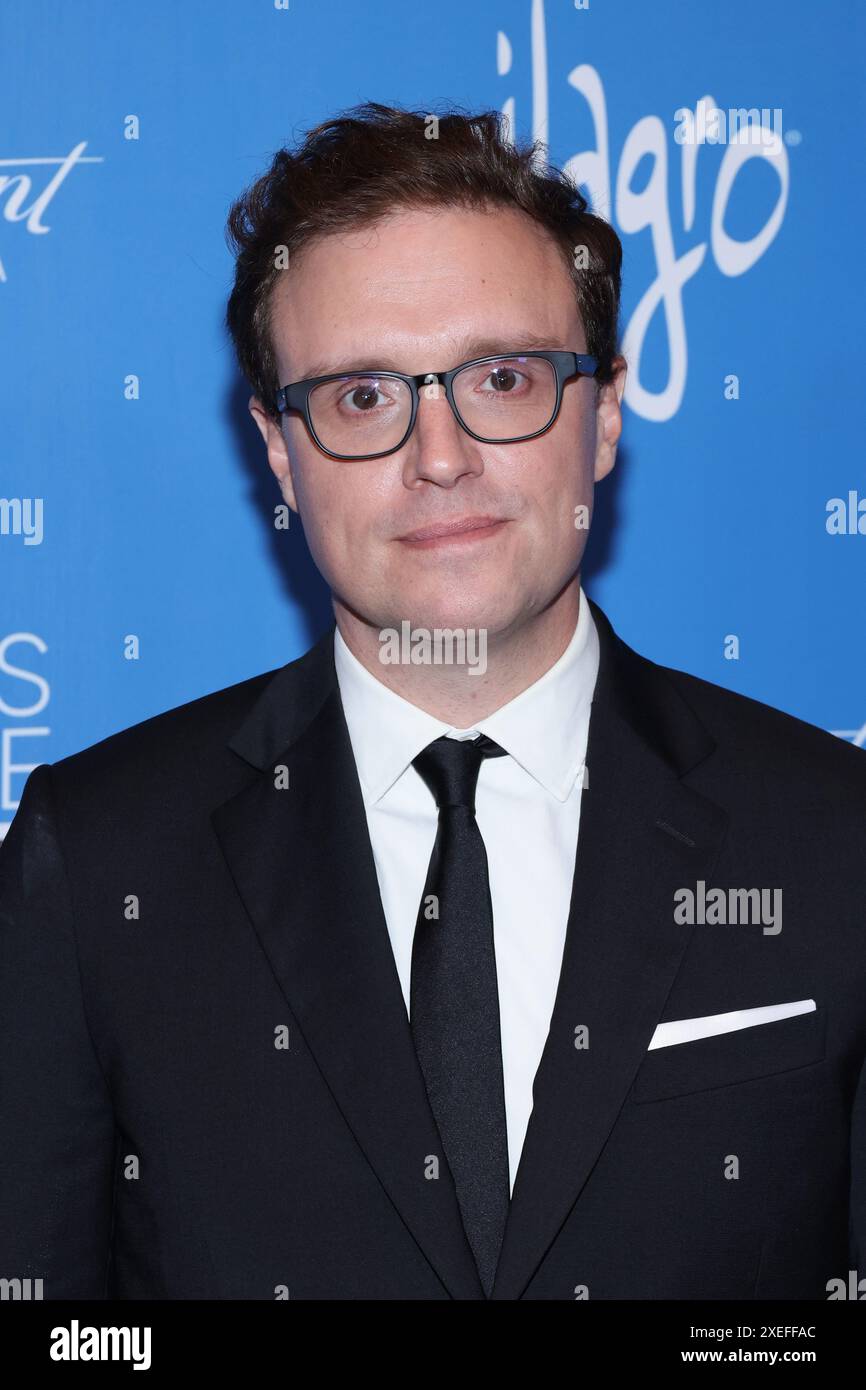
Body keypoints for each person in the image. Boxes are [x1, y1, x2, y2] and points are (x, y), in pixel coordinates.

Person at [1, 102, 865, 1301]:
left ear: (603, 410)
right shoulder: (96, 855)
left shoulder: (834, 835)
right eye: (361, 396)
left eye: (501, 377)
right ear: (277, 452)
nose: (439, 453)